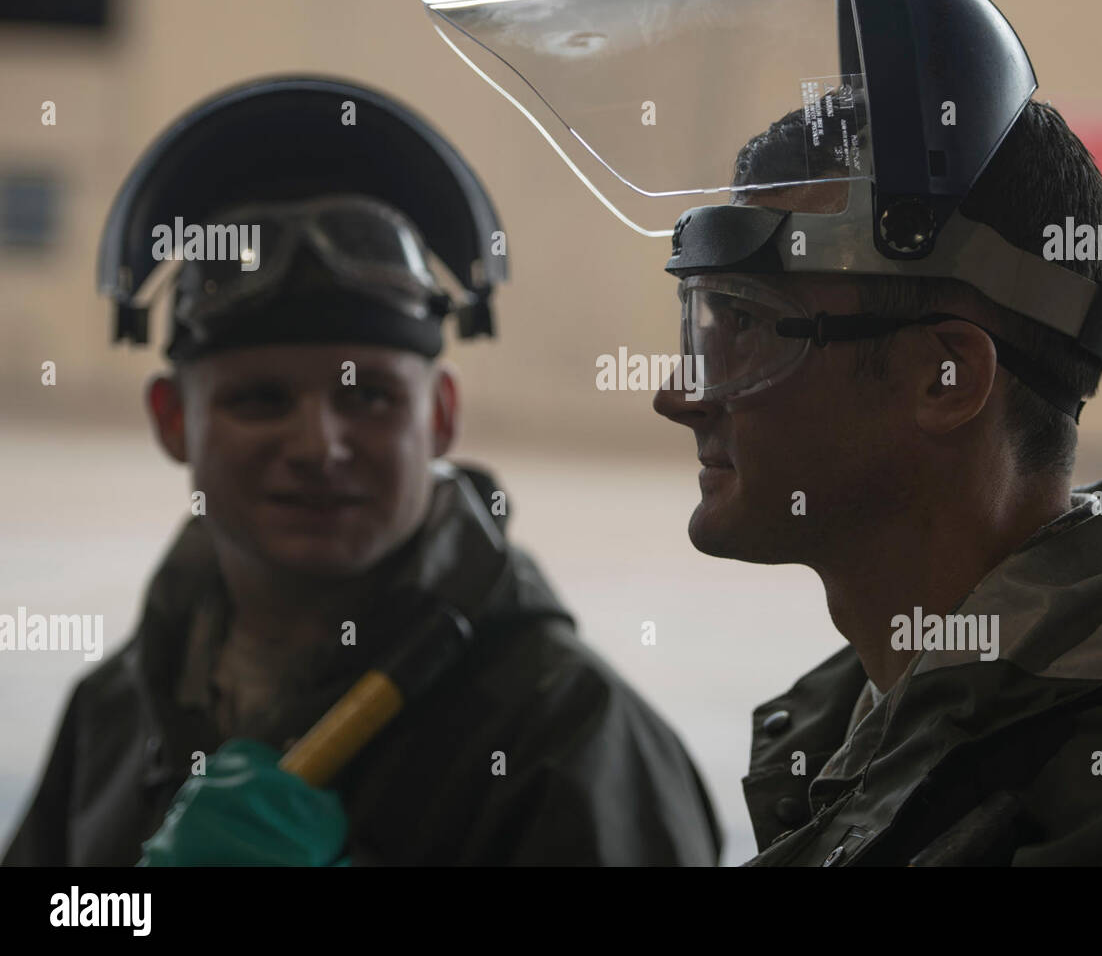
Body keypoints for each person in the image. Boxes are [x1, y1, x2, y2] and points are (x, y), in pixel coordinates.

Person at [424, 0, 1102, 866]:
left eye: (749, 326)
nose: (679, 397)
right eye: (703, 323)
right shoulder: (891, 716)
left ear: (946, 378)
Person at [2, 75, 720, 867]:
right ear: (173, 420)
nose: (318, 445)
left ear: (441, 415)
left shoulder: (572, 739)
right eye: (261, 399)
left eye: (371, 397)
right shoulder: (114, 716)